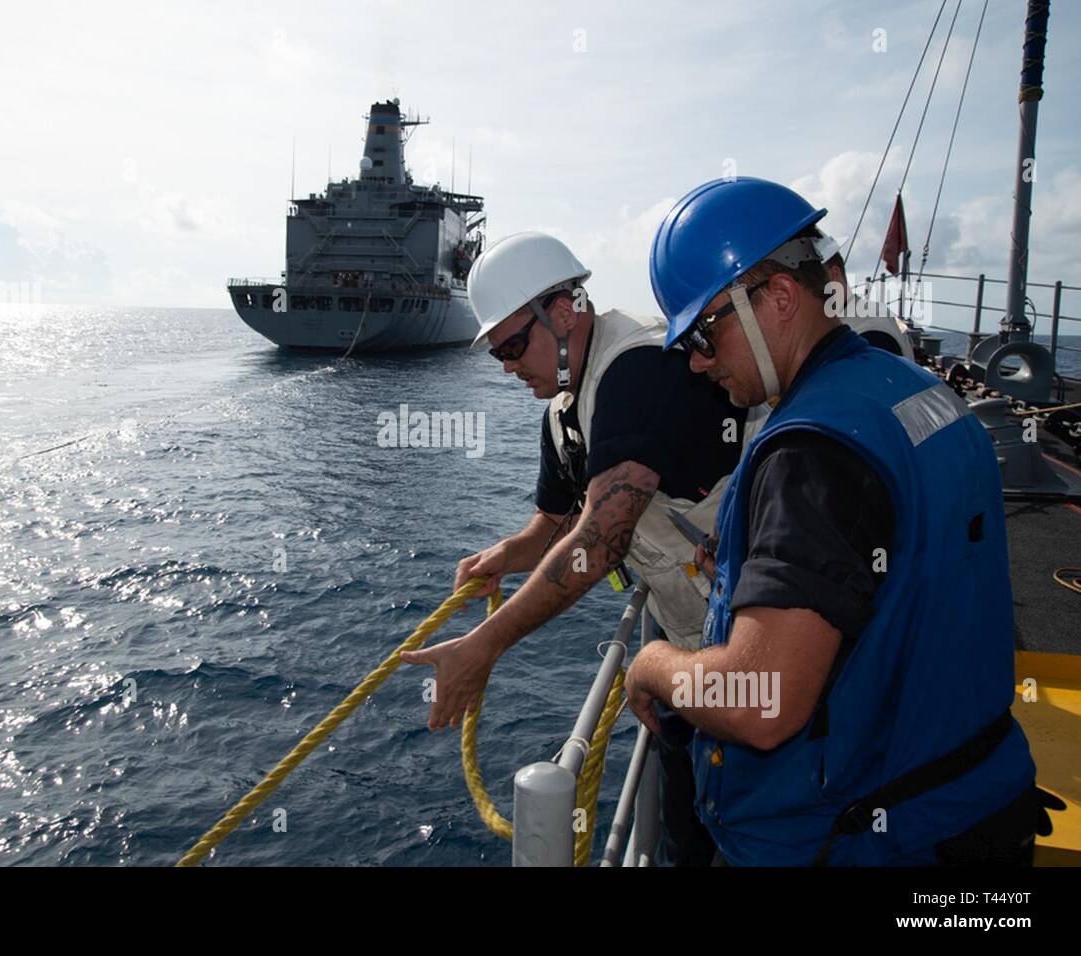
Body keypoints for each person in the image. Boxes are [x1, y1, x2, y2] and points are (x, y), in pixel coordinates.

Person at [624, 176, 1043, 865]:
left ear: (780, 298)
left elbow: (761, 702)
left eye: (703, 332)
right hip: (976, 806)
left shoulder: (812, 452)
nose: (697, 362)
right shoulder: (919, 392)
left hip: (871, 840)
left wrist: (654, 664)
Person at [401, 233, 748, 863]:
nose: (508, 366)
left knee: (744, 833)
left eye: (512, 346)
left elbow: (599, 542)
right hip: (685, 644)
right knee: (685, 830)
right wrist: (502, 557)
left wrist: (484, 646)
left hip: (749, 641)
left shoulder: (638, 367)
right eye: (497, 355)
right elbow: (552, 528)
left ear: (562, 313)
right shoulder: (565, 410)